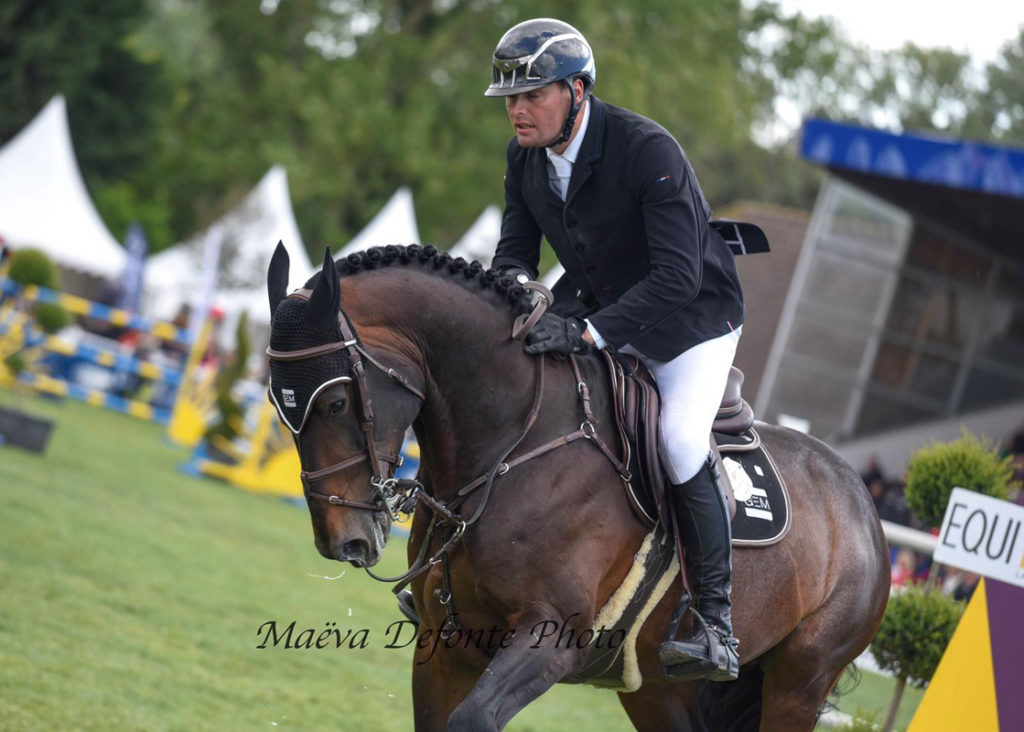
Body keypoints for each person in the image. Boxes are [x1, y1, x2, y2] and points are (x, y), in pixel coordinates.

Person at [486, 18, 745, 681]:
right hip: (598, 302)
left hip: (693, 318)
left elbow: (677, 276)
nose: (517, 110)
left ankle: (715, 620)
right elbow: (515, 254)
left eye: (532, 95)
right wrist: (522, 296)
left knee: (680, 439)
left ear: (576, 90)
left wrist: (587, 333)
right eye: (511, 98)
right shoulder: (525, 157)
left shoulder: (645, 149)